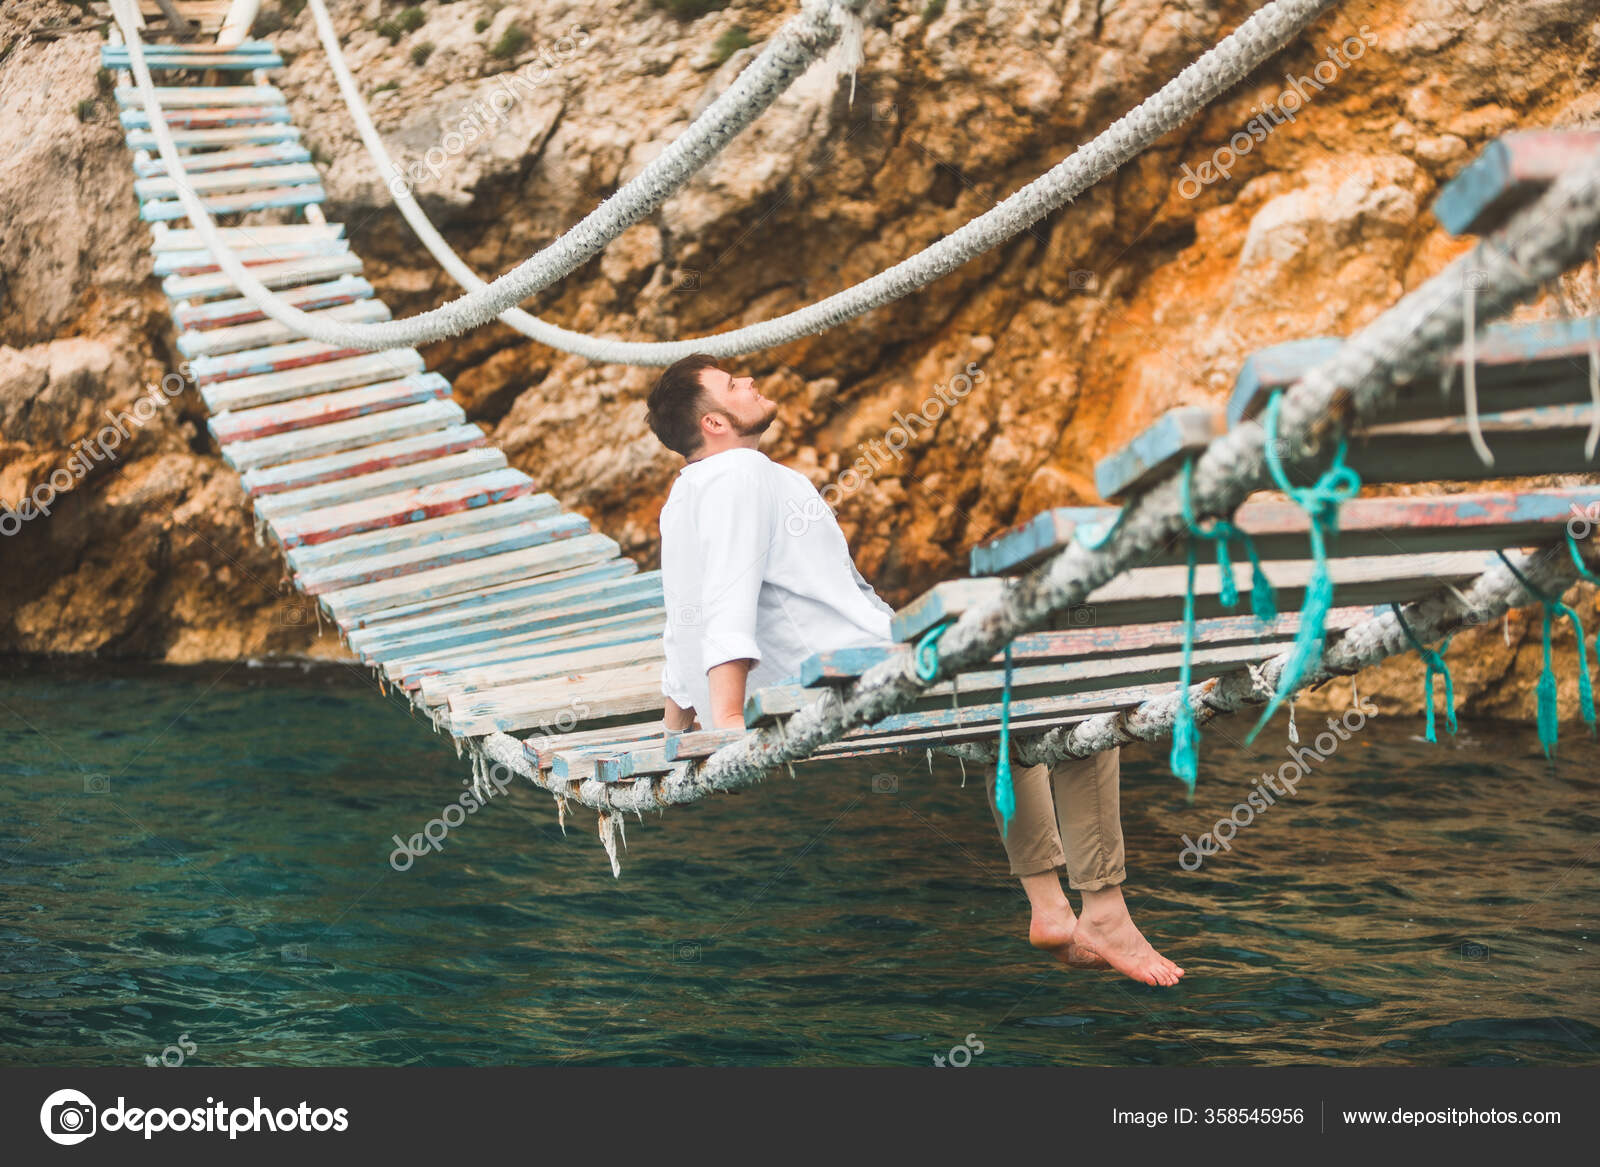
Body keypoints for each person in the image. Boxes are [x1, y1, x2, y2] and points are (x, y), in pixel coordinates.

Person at [644, 354, 1183, 987]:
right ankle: (1106, 911)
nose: (750, 383)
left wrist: (677, 723)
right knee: (1081, 692)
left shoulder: (687, 492)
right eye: (733, 385)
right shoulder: (741, 474)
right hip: (857, 674)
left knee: (1008, 718)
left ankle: (1051, 910)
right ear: (713, 421)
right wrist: (730, 724)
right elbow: (727, 602)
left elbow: (685, 614)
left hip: (839, 675)